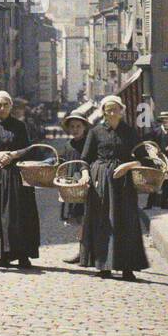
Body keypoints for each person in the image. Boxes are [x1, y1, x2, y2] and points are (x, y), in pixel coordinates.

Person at [79, 94, 149, 280]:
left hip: (124, 183)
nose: (111, 112)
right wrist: (86, 174)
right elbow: (85, 159)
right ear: (102, 111)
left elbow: (143, 158)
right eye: (108, 109)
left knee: (127, 221)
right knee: (103, 221)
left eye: (115, 109)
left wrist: (127, 166)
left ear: (122, 111)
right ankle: (103, 265)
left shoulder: (130, 132)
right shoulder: (95, 132)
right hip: (101, 180)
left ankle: (127, 267)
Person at [0, 90, 40, 269]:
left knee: (18, 216)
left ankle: (22, 255)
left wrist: (12, 155)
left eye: (5, 104)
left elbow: (28, 148)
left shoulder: (20, 127)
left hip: (16, 177)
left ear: (11, 106)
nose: (2, 108)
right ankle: (0, 255)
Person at [57, 104, 93, 263]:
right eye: (72, 126)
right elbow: (62, 164)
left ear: (84, 126)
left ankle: (87, 254)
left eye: (79, 126)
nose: (76, 129)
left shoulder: (89, 143)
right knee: (79, 219)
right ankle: (82, 253)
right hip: (72, 185)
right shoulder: (67, 145)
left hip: (86, 182)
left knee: (87, 218)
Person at [146, 110, 168, 210]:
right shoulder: (155, 132)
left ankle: (165, 203)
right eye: (164, 119)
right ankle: (149, 204)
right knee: (155, 183)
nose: (166, 121)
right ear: (161, 121)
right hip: (158, 162)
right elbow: (150, 146)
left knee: (167, 185)